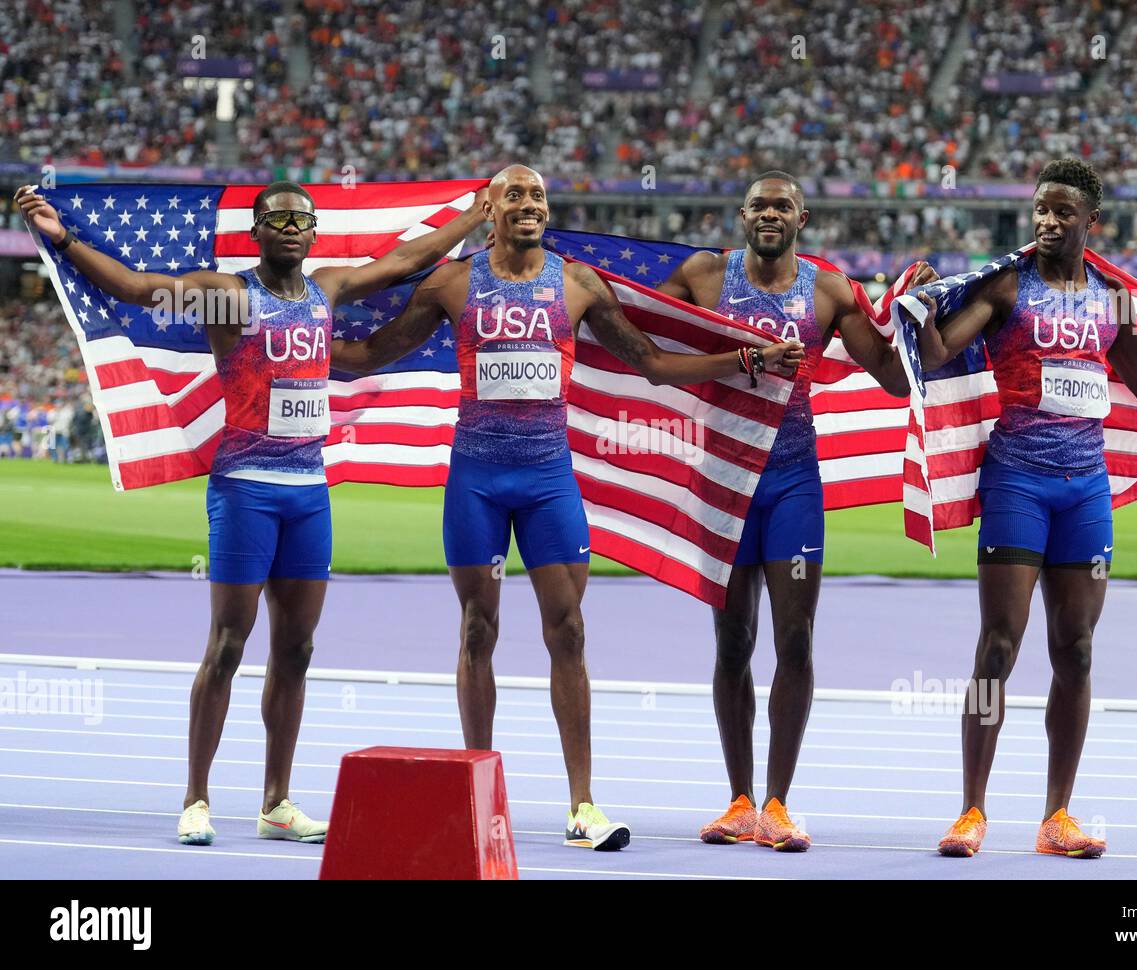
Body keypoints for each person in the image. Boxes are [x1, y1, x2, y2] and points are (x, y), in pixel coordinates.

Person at [16, 179, 489, 845]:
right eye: (278, 218)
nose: (291, 226)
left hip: (307, 493)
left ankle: (277, 802)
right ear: (257, 232)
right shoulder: (228, 294)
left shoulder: (327, 289)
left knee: (296, 650)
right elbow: (133, 285)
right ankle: (197, 799)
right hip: (244, 488)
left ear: (314, 232)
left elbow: (406, 262)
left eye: (301, 218)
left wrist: (475, 213)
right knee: (228, 645)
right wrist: (60, 238)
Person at [371, 164, 804, 850]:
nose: (529, 204)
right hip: (478, 478)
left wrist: (746, 361)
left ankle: (582, 804)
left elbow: (653, 363)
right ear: (491, 208)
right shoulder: (451, 283)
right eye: (514, 194)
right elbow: (374, 350)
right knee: (479, 628)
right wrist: (295, 349)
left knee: (568, 630)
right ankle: (481, 791)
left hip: (548, 477)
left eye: (538, 195)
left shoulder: (576, 283)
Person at [908, 158, 1137, 858]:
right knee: (997, 647)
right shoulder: (1008, 284)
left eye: (1062, 212)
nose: (1046, 221)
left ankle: (1056, 817)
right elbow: (942, 349)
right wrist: (918, 309)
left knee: (1076, 648)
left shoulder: (1114, 295)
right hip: (1016, 480)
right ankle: (971, 811)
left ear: (1091, 222)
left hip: (1085, 488)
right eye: (1040, 210)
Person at [657, 170, 938, 851]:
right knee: (732, 642)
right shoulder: (701, 276)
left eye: (782, 204)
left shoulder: (831, 289)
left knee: (797, 639)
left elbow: (897, 379)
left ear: (802, 216)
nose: (769, 214)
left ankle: (778, 803)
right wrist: (741, 357)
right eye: (758, 204)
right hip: (724, 476)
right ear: (742, 214)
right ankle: (739, 799)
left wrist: (912, 313)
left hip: (791, 479)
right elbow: (647, 352)